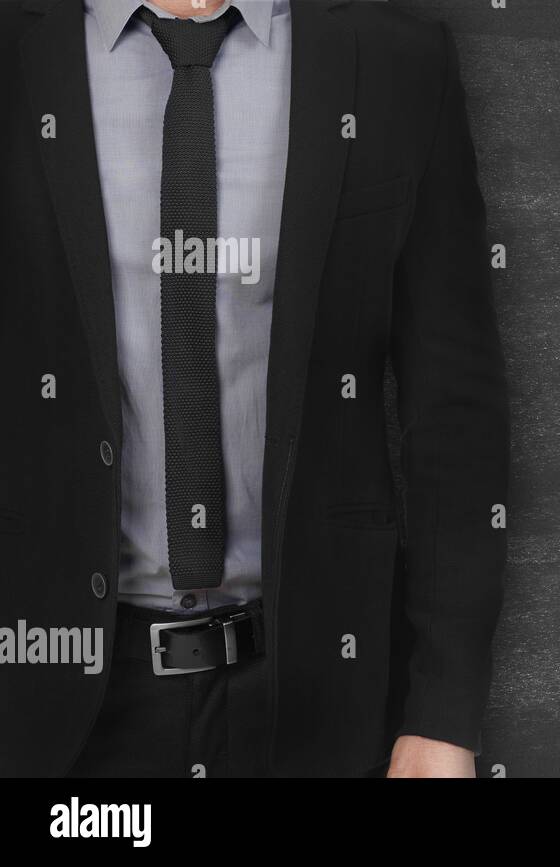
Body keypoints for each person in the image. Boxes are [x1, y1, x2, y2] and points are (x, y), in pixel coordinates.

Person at [0, 0, 509, 777]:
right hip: (58, 713)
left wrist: (443, 712)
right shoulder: (17, 53)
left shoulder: (398, 63)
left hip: (323, 701)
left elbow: (454, 410)